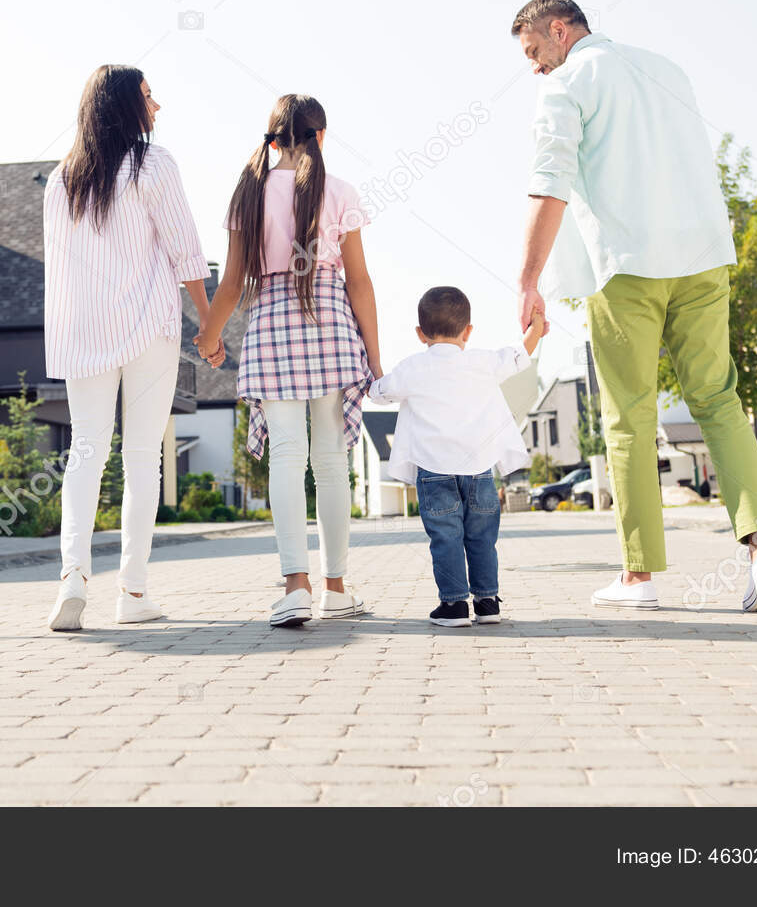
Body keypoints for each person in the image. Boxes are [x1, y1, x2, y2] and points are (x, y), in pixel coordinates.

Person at [510, 0, 757, 613]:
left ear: (559, 32)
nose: (535, 67)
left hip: (627, 266)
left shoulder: (565, 86)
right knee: (718, 398)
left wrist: (530, 281)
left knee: (629, 415)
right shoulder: (668, 69)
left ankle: (639, 578)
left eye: (534, 52)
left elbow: (548, 182)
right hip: (704, 256)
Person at [198, 95, 380, 628]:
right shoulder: (339, 191)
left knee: (286, 458)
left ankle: (294, 585)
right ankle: (337, 589)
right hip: (332, 322)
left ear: (272, 138)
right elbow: (360, 282)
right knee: (330, 463)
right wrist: (375, 356)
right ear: (320, 136)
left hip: (273, 323)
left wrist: (207, 338)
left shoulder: (248, 193)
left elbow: (231, 284)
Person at [43, 65, 212, 631]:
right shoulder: (152, 163)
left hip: (84, 332)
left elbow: (58, 273)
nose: (157, 106)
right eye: (147, 96)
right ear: (123, 104)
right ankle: (132, 593)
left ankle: (72, 578)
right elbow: (186, 249)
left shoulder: (60, 179)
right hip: (146, 327)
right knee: (142, 458)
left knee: (86, 450)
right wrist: (209, 323)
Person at [368, 287, 545, 627]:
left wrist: (373, 369)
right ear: (468, 331)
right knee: (482, 536)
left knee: (445, 536)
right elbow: (521, 352)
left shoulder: (413, 367)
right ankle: (488, 600)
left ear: (421, 334)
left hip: (434, 472)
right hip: (479, 470)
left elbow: (379, 393)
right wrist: (536, 324)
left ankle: (454, 606)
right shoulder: (483, 362)